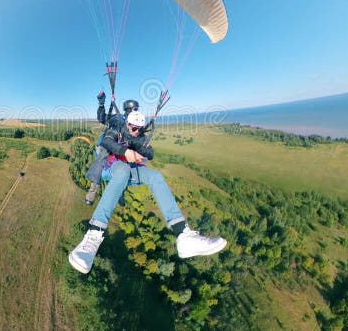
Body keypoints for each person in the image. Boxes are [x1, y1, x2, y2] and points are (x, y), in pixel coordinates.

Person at [69, 109, 228, 274]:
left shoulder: (139, 136)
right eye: (133, 127)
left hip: (130, 170)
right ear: (127, 123)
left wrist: (140, 150)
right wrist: (125, 151)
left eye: (139, 128)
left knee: (155, 176)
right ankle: (94, 234)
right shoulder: (117, 127)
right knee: (123, 169)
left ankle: (183, 235)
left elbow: (149, 152)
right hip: (111, 167)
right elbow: (107, 143)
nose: (136, 131)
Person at [84, 94, 139, 205]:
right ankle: (91, 195)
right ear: (129, 110)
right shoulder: (117, 118)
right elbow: (102, 118)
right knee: (101, 160)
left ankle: (120, 194)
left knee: (125, 169)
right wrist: (101, 104)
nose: (137, 112)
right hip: (106, 146)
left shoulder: (135, 123)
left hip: (121, 149)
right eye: (135, 109)